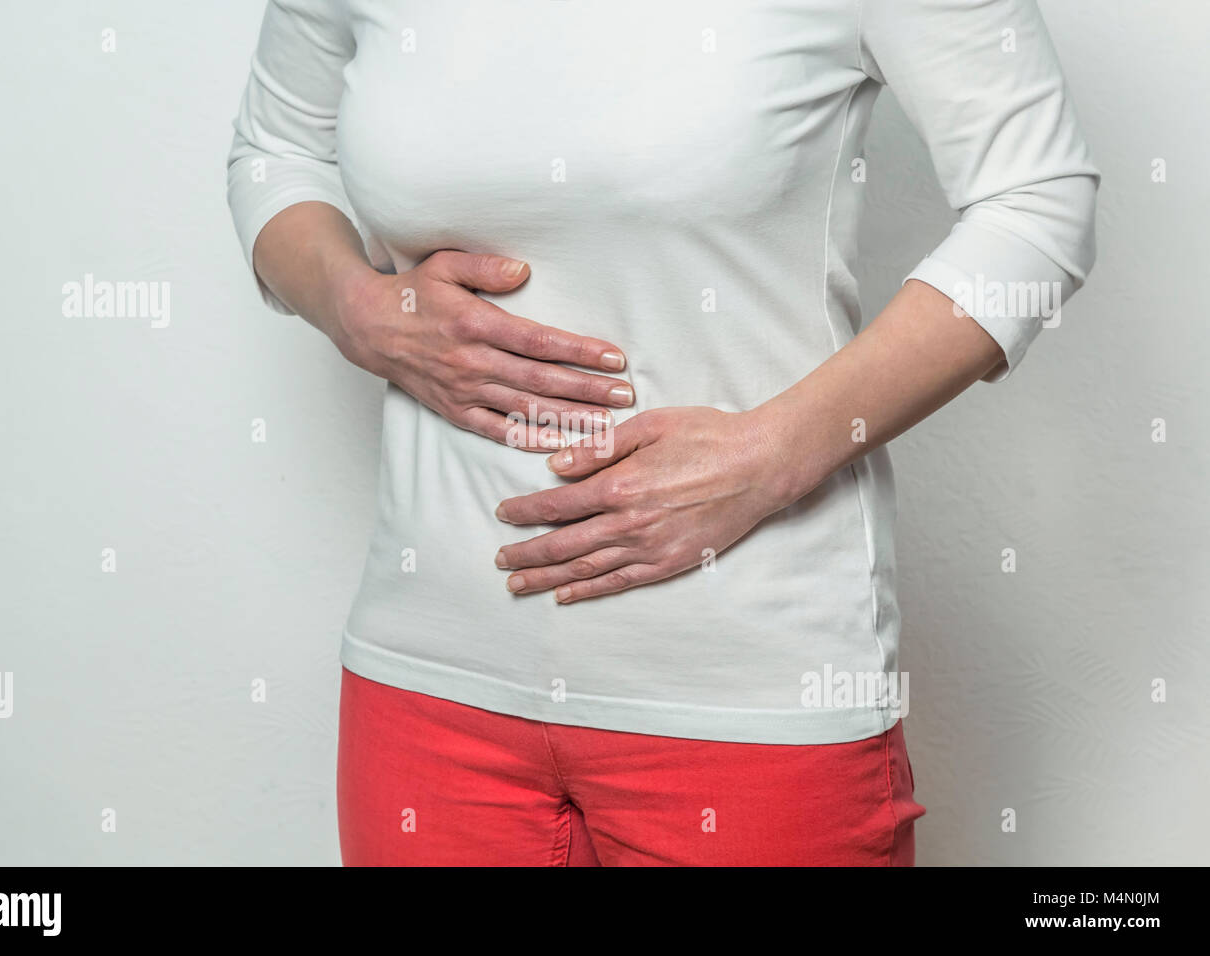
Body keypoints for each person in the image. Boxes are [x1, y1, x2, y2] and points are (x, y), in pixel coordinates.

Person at [226, 0, 1098, 866]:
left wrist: (772, 455)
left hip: (750, 700)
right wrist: (353, 304)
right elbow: (275, 152)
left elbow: (1036, 201)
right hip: (426, 686)